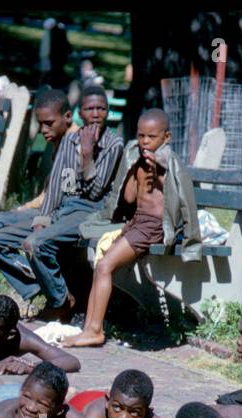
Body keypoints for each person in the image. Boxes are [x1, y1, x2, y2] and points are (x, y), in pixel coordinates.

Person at [0, 87, 123, 324]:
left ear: (108, 111)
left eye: (102, 108)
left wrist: (88, 155)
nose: (96, 114)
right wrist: (41, 220)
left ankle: (60, 301)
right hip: (63, 209)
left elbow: (95, 191)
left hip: (89, 212)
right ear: (81, 112)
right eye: (90, 109)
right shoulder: (70, 141)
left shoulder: (113, 144)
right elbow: (57, 188)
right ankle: (0, 295)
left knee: (35, 243)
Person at [64, 108, 199, 348]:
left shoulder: (170, 164)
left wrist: (159, 175)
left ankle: (95, 330)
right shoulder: (137, 157)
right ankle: (89, 328)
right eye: (141, 136)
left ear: (166, 138)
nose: (145, 141)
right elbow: (127, 198)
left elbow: (184, 201)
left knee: (105, 266)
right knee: (101, 264)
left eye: (152, 137)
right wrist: (133, 172)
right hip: (137, 222)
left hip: (153, 227)